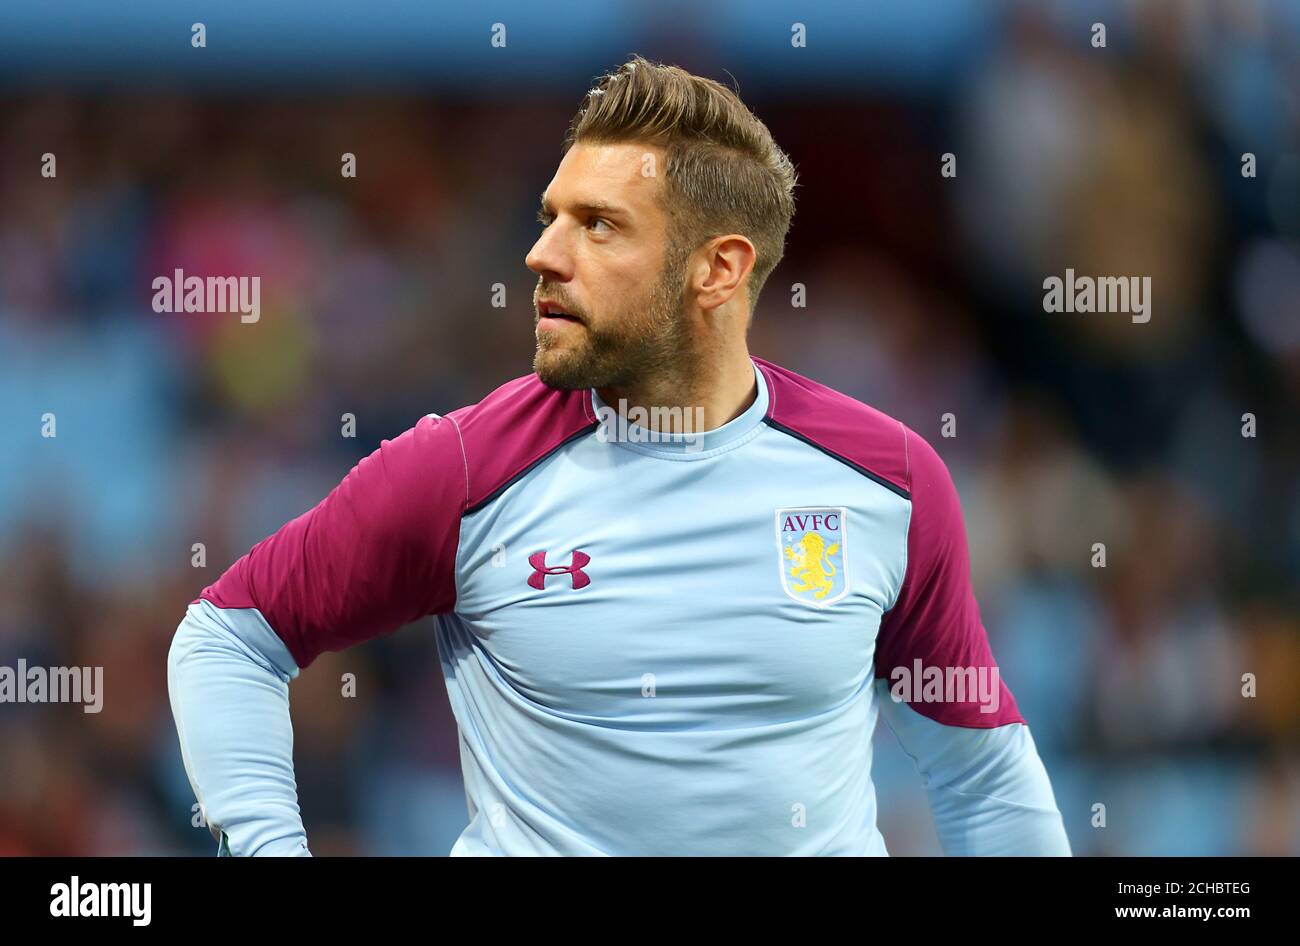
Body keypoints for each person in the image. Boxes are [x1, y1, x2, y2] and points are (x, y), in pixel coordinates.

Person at [168, 55, 1070, 856]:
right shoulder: (461, 470)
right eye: (550, 216)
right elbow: (227, 640)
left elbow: (981, 774)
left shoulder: (892, 481)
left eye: (597, 226)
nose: (541, 254)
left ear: (717, 269)